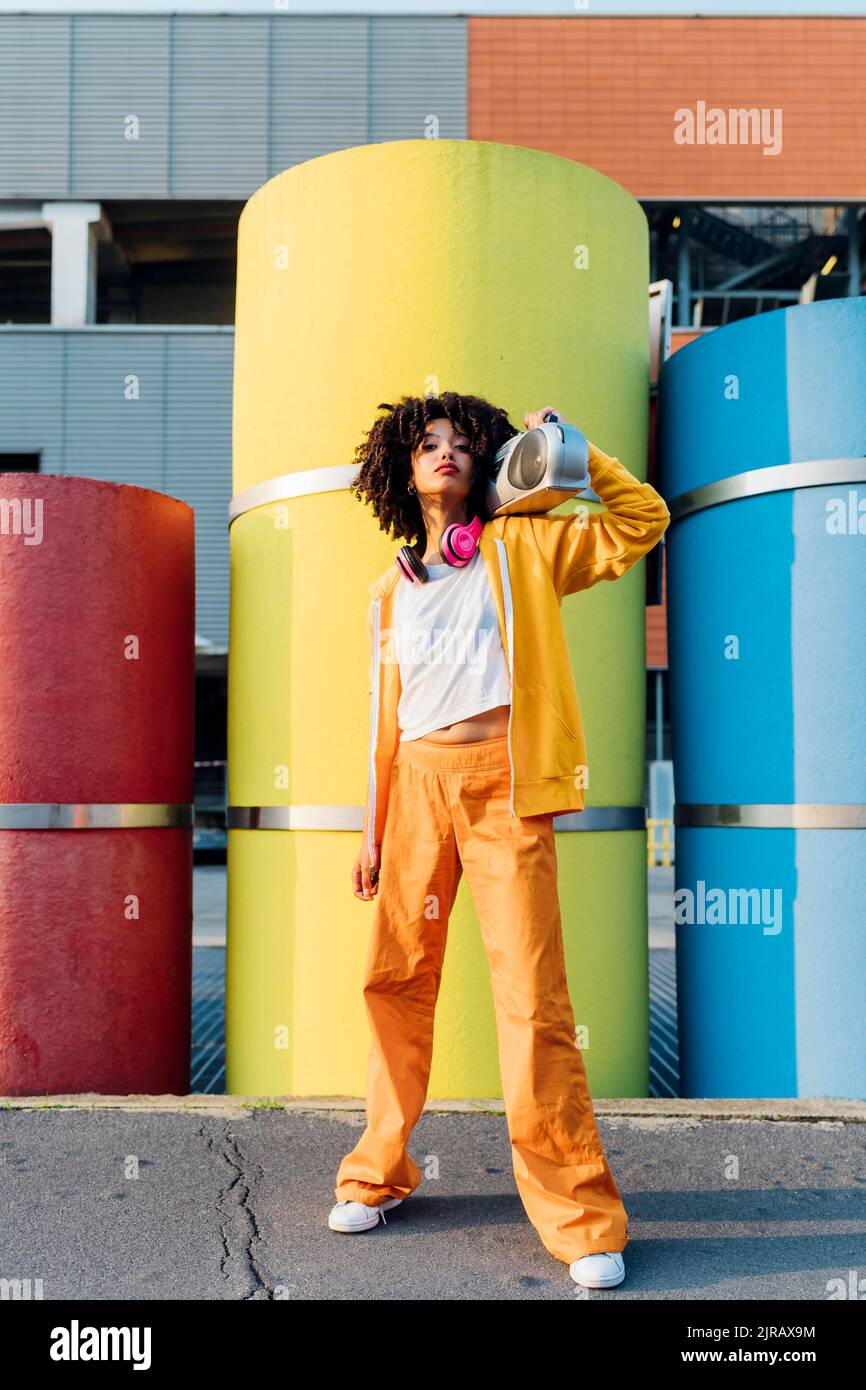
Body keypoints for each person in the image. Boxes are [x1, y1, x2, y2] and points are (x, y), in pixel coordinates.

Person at [329, 391, 670, 1290]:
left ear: (485, 463)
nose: (444, 453)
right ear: (402, 469)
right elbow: (383, 721)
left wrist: (571, 451)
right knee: (394, 981)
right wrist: (373, 828)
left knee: (532, 1000)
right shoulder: (390, 591)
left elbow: (642, 519)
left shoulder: (524, 547)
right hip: (413, 798)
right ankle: (378, 1172)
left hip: (504, 793)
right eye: (426, 443)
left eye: (463, 443)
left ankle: (581, 1220)